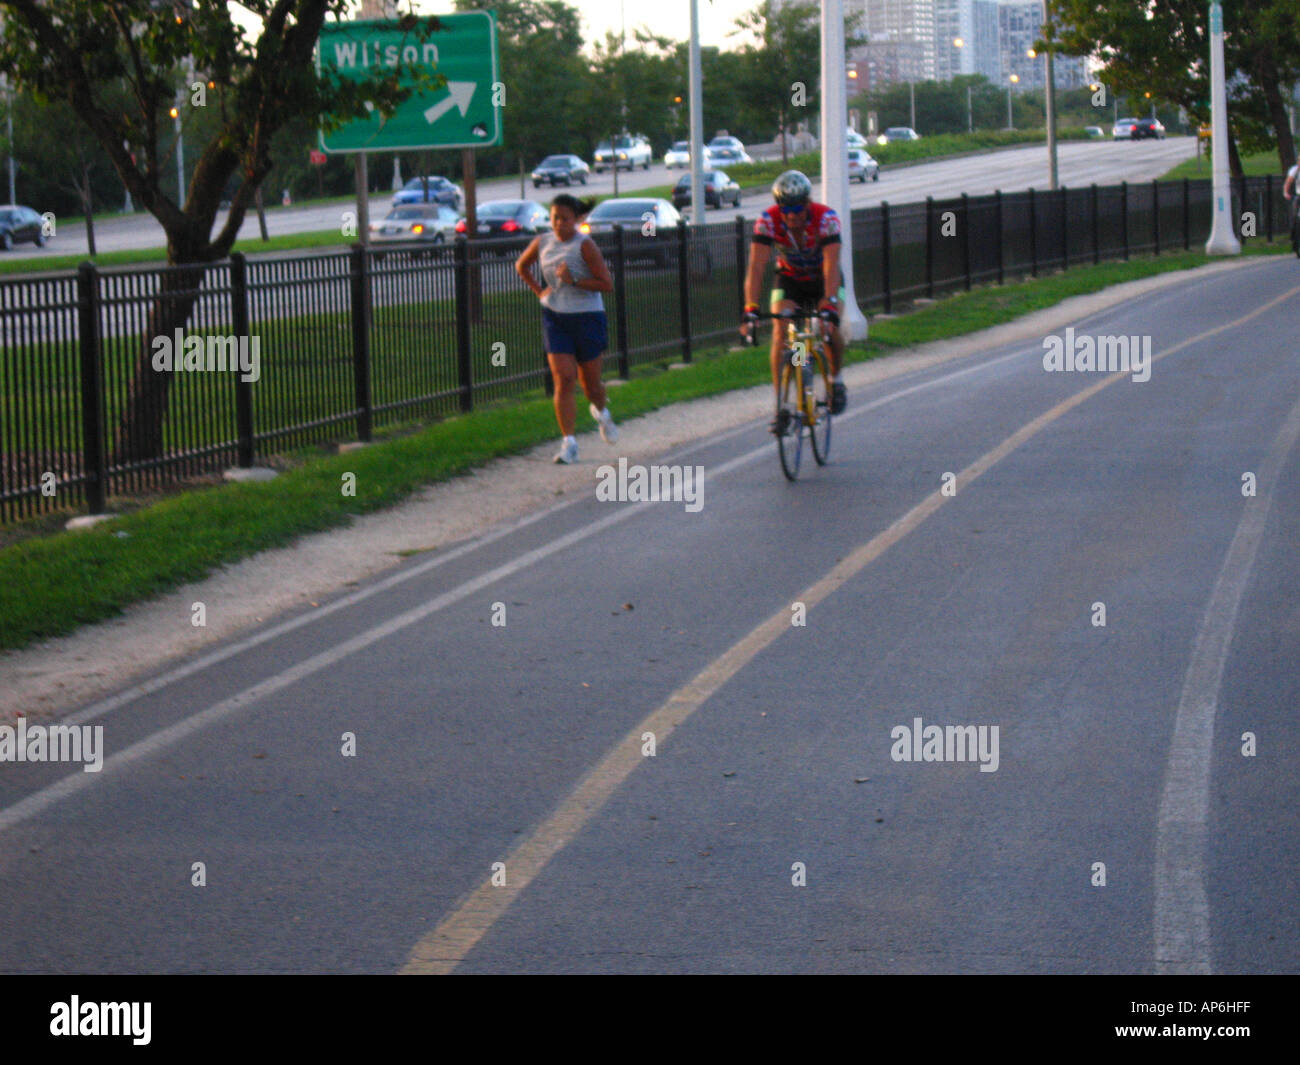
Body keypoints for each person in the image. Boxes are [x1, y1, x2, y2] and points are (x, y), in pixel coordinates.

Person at [740, 170, 847, 434]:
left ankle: (836, 380)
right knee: (781, 329)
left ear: (808, 203)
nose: (791, 216)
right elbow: (756, 267)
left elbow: (832, 265)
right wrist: (750, 309)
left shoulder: (826, 219)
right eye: (785, 209)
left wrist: (831, 303)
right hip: (790, 281)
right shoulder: (768, 221)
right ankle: (782, 406)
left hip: (825, 280)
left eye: (798, 208)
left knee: (827, 327)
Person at [515, 194, 619, 463]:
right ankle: (569, 444)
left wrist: (574, 280)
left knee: (591, 385)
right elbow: (521, 266)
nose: (559, 224)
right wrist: (539, 291)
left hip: (587, 317)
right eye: (554, 218)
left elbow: (606, 284)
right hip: (555, 317)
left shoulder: (585, 246)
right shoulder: (543, 242)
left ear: (577, 220)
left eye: (565, 219)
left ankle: (602, 413)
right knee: (563, 378)